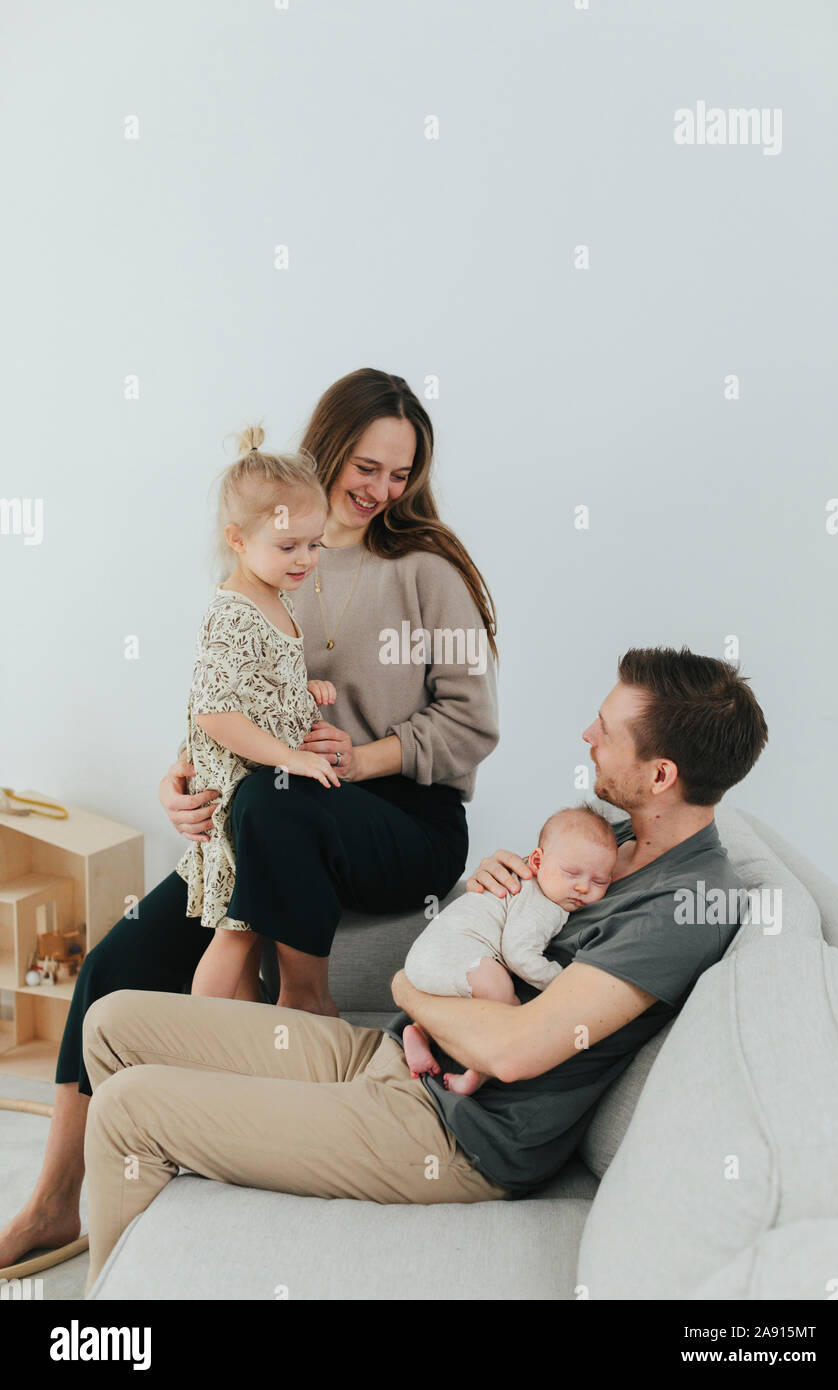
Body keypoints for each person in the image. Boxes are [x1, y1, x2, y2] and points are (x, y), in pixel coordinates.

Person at [0, 368, 499, 1271]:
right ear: (330, 444)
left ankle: (303, 1015)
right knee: (116, 962)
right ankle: (51, 1204)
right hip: (275, 803)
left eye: (403, 474)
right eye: (370, 465)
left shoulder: (430, 574)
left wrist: (361, 755)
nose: (383, 489)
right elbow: (217, 701)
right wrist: (179, 780)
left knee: (278, 799)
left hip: (401, 818)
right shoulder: (278, 549)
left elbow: (471, 729)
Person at [80, 647, 768, 1294]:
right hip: (399, 1058)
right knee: (112, 1022)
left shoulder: (683, 906)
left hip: (455, 1132)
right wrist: (484, 891)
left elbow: (514, 1049)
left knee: (126, 1110)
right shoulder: (613, 840)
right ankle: (157, 1248)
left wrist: (407, 985)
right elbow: (504, 940)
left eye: (609, 731)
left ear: (660, 776)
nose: (588, 733)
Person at [179, 429, 341, 1001]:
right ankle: (205, 1039)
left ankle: (239, 1050)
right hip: (236, 794)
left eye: (314, 545)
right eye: (288, 545)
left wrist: (304, 688)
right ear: (238, 540)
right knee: (236, 934)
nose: (304, 559)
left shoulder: (277, 594)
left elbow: (259, 683)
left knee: (250, 930)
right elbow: (216, 714)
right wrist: (290, 757)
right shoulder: (235, 612)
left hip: (261, 793)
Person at [401, 803, 618, 1094]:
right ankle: (474, 1076)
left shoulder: (536, 886)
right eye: (571, 873)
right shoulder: (542, 904)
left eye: (599, 881)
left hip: (429, 957)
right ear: (537, 862)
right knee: (505, 1005)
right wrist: (562, 981)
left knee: (472, 1001)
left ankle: (418, 1031)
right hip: (450, 951)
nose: (582, 887)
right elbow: (519, 954)